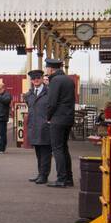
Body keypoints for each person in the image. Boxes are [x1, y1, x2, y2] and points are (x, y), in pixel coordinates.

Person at [44, 57, 76, 187]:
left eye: (47, 68)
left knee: (57, 149)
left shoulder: (55, 81)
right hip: (68, 118)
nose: (47, 70)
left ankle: (61, 179)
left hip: (58, 118)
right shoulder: (69, 80)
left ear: (51, 68)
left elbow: (52, 103)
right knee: (64, 148)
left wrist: (48, 117)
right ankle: (69, 178)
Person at [24, 69, 52, 184]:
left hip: (45, 127)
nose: (35, 80)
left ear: (42, 79)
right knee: (38, 152)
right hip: (34, 127)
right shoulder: (29, 94)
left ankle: (44, 176)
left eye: (38, 78)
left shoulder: (49, 92)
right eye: (33, 79)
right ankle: (40, 173)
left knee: (45, 152)